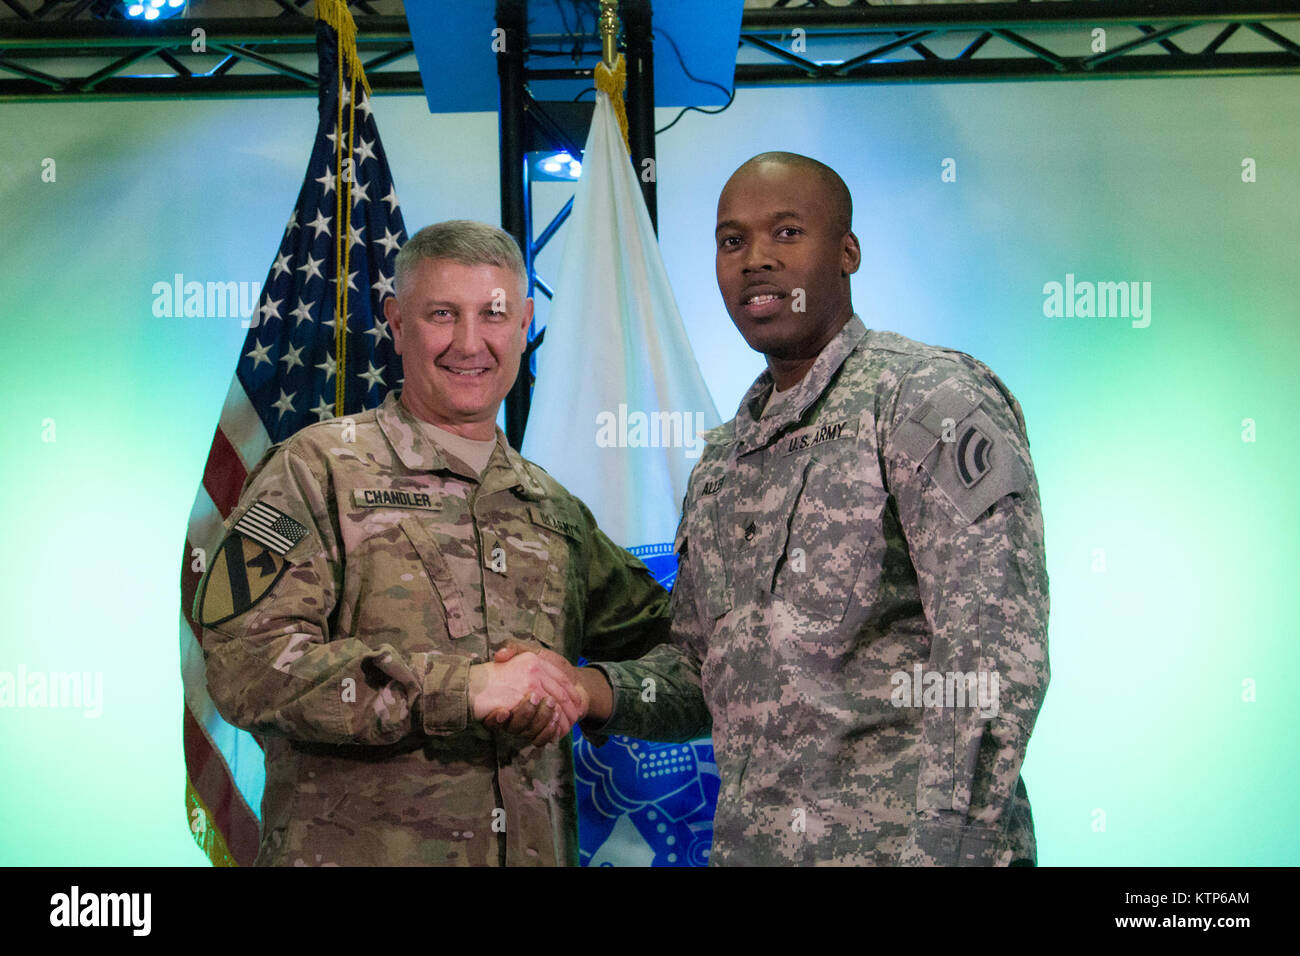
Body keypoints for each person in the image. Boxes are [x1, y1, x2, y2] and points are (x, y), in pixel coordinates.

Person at [506, 152, 1050, 866]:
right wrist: (594, 688)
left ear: (847, 252)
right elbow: (705, 674)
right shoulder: (724, 463)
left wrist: (953, 848)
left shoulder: (926, 401)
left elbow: (993, 656)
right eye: (731, 242)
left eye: (787, 233)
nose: (755, 260)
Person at [193, 220, 670, 866]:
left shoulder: (553, 512)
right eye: (442, 314)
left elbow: (691, 658)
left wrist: (589, 690)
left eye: (494, 315)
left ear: (526, 323)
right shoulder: (315, 473)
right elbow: (245, 667)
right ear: (395, 322)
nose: (470, 343)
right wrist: (462, 689)